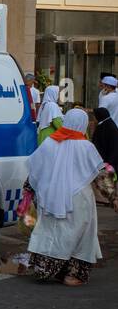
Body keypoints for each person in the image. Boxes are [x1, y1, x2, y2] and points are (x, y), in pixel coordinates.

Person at [24, 108, 117, 286]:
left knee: (50, 232)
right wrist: (113, 198)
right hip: (79, 199)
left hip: (49, 197)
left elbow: (34, 172)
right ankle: (73, 274)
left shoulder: (49, 143)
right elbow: (101, 176)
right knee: (81, 237)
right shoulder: (87, 147)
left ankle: (45, 269)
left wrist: (28, 192)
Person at [94, 107, 118, 171]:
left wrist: (109, 162)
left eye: (95, 116)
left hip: (109, 163)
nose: (94, 118)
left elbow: (114, 147)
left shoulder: (110, 127)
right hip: (103, 161)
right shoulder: (104, 124)